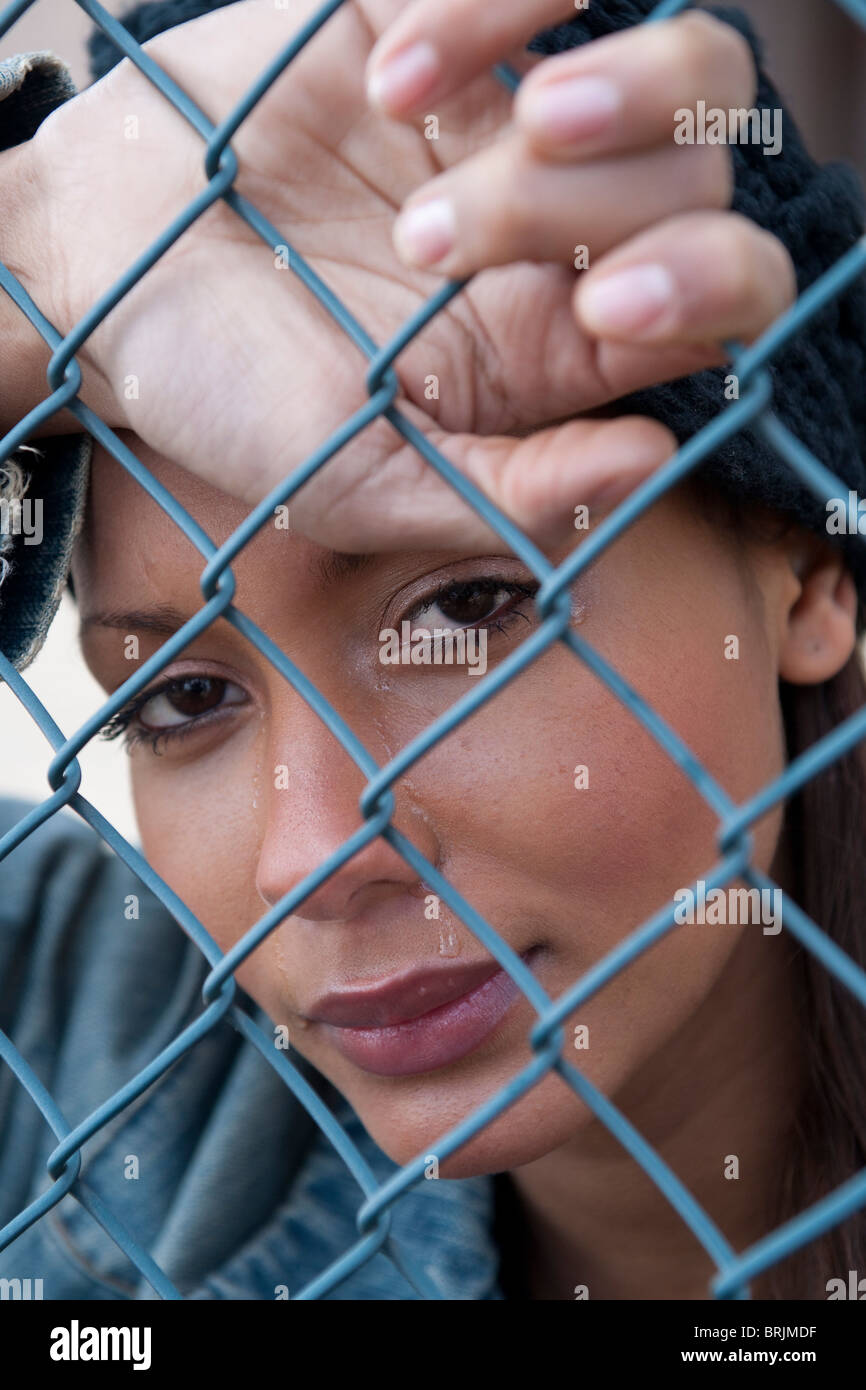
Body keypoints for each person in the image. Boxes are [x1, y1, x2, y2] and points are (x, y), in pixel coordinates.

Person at [0, 0, 865, 1300]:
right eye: (181, 696)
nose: (312, 857)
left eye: (459, 611)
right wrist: (38, 259)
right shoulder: (85, 1034)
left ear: (801, 564)